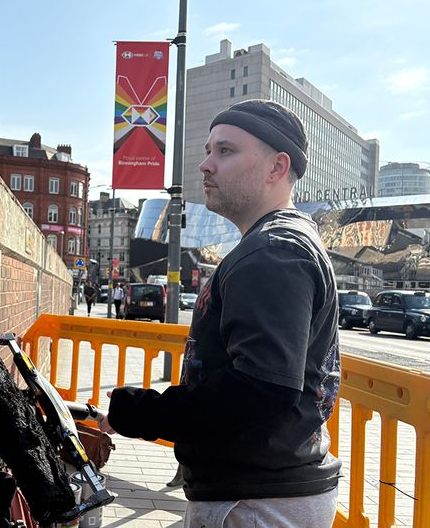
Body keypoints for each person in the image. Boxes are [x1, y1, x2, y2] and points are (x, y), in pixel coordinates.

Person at [99, 100, 341, 528]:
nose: (205, 165)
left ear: (276, 167)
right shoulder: (278, 243)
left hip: (254, 501)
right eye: (209, 150)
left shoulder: (273, 253)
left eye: (225, 151)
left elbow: (261, 390)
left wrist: (140, 412)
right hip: (262, 490)